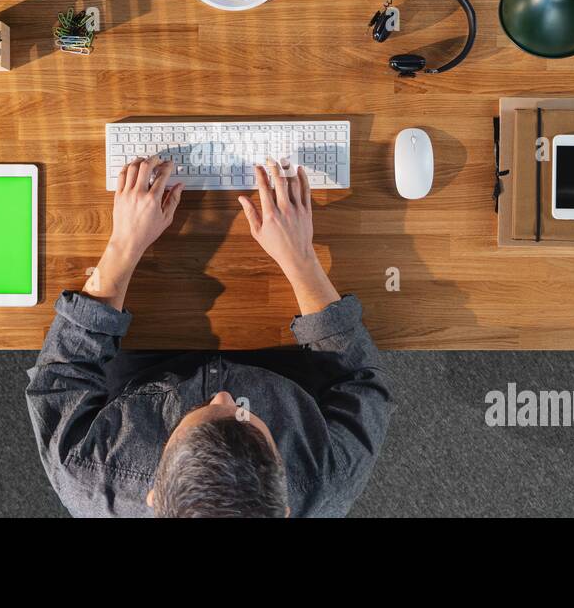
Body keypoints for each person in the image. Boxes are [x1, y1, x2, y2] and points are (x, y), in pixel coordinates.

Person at [25, 155, 394, 517]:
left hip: (146, 363)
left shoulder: (89, 476)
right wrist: (301, 260)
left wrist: (123, 245)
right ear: (283, 512)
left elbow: (61, 376)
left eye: (200, 412)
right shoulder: (326, 483)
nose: (223, 396)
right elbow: (361, 383)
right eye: (245, 415)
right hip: (284, 359)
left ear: (153, 496)